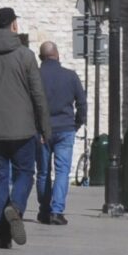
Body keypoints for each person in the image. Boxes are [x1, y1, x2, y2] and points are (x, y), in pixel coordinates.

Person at [0, 7, 50, 249]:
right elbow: (38, 94)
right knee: (25, 172)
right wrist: (44, 128)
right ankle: (16, 206)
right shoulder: (26, 55)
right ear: (14, 25)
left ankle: (3, 235)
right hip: (23, 128)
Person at [36, 40, 86, 226]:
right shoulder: (70, 76)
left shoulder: (36, 76)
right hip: (65, 128)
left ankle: (44, 210)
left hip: (41, 130)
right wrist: (77, 123)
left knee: (42, 172)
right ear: (57, 55)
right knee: (62, 171)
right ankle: (57, 211)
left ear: (41, 57)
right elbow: (82, 103)